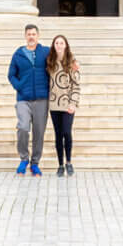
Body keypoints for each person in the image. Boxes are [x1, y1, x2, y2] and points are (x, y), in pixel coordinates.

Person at [7, 24, 50, 176]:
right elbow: (11, 74)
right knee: (23, 127)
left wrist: (73, 63)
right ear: (25, 36)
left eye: (33, 34)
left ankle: (35, 163)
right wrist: (20, 86)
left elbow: (59, 61)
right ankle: (24, 159)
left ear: (38, 36)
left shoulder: (45, 52)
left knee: (39, 132)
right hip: (23, 99)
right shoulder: (18, 54)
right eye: (29, 34)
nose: (31, 36)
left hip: (42, 98)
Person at [47, 34, 81, 177]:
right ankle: (60, 165)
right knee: (58, 134)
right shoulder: (50, 62)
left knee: (67, 132)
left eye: (61, 43)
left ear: (66, 45)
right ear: (54, 46)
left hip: (67, 104)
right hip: (54, 104)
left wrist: (73, 103)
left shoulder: (72, 62)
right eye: (56, 43)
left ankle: (69, 162)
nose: (59, 45)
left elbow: (76, 85)